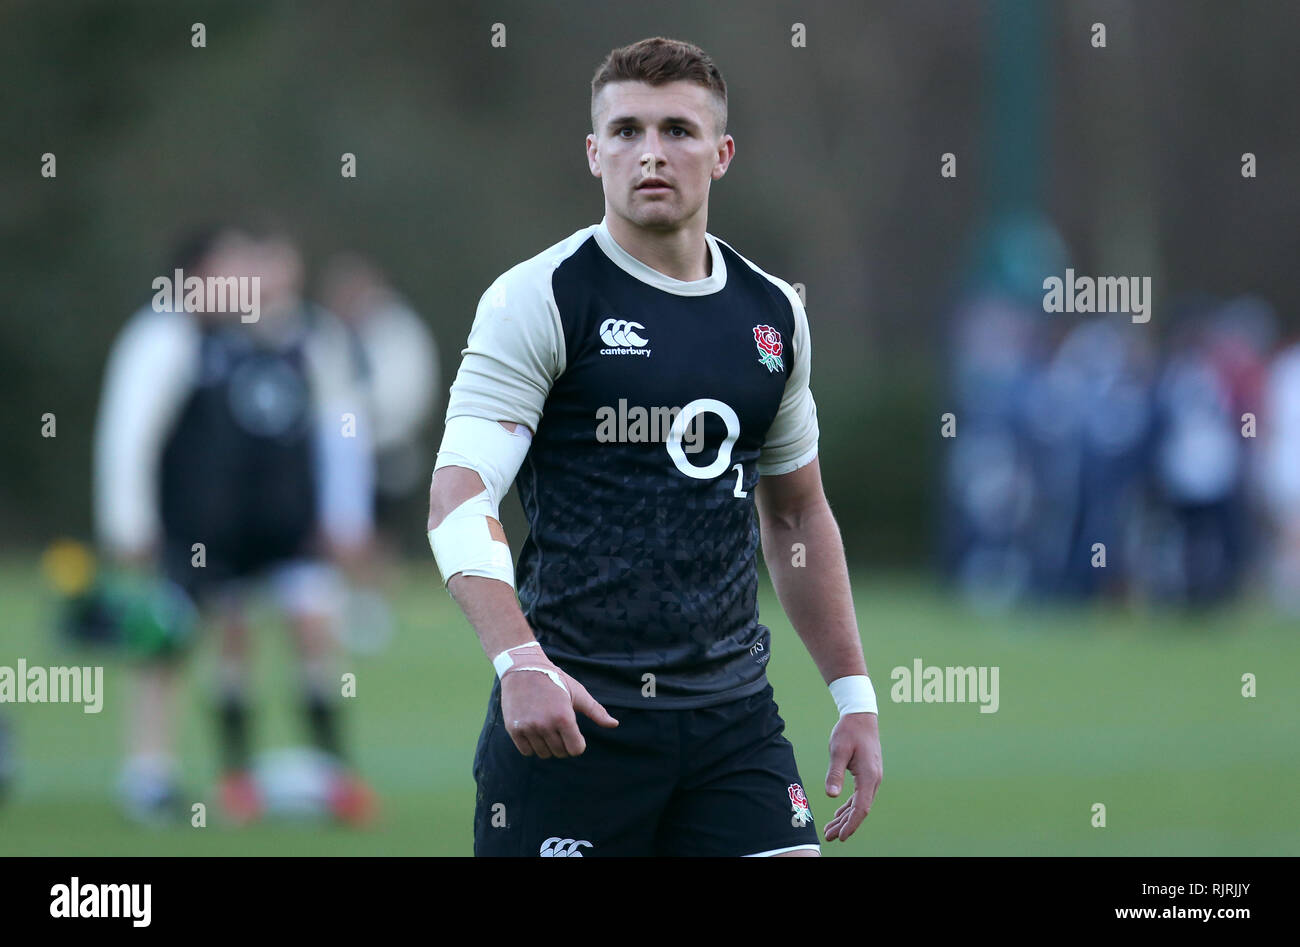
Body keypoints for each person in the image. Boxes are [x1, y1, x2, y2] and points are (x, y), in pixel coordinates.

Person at [427, 37, 882, 856]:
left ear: (722, 153)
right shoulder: (540, 297)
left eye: (678, 129)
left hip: (734, 722)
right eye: (628, 131)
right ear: (594, 152)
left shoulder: (773, 314)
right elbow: (460, 496)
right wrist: (518, 661)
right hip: (574, 717)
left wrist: (854, 695)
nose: (652, 153)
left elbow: (797, 515)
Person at [94, 225, 377, 824]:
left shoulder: (285, 336)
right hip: (193, 533)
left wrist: (343, 514)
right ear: (199, 275)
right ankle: (154, 775)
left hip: (270, 531)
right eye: (233, 269)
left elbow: (336, 430)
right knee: (167, 644)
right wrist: (130, 521)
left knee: (296, 634)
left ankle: (326, 774)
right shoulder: (167, 336)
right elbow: (129, 437)